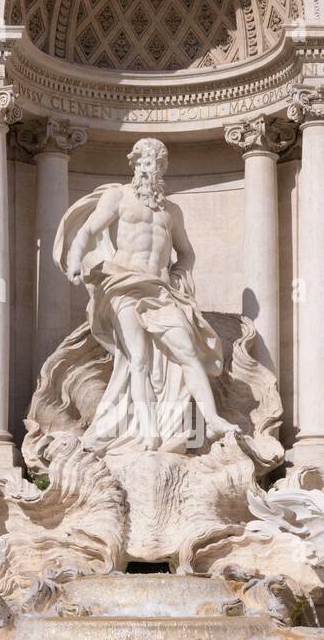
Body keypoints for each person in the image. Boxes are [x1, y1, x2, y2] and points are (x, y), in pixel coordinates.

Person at [54, 136, 236, 452]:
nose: (153, 168)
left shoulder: (172, 212)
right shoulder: (118, 197)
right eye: (148, 161)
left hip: (161, 290)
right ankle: (149, 431)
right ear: (136, 164)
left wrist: (178, 276)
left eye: (159, 163)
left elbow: (187, 253)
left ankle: (212, 419)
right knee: (137, 358)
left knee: (188, 352)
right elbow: (87, 231)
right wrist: (75, 262)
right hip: (122, 284)